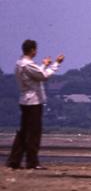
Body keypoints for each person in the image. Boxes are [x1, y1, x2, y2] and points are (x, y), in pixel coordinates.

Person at [9, 40, 63, 170]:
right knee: (33, 133)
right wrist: (56, 64)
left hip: (24, 100)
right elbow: (43, 76)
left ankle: (15, 160)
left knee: (23, 132)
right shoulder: (28, 64)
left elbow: (36, 75)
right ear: (33, 50)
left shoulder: (20, 64)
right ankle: (32, 162)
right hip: (33, 101)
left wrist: (44, 65)